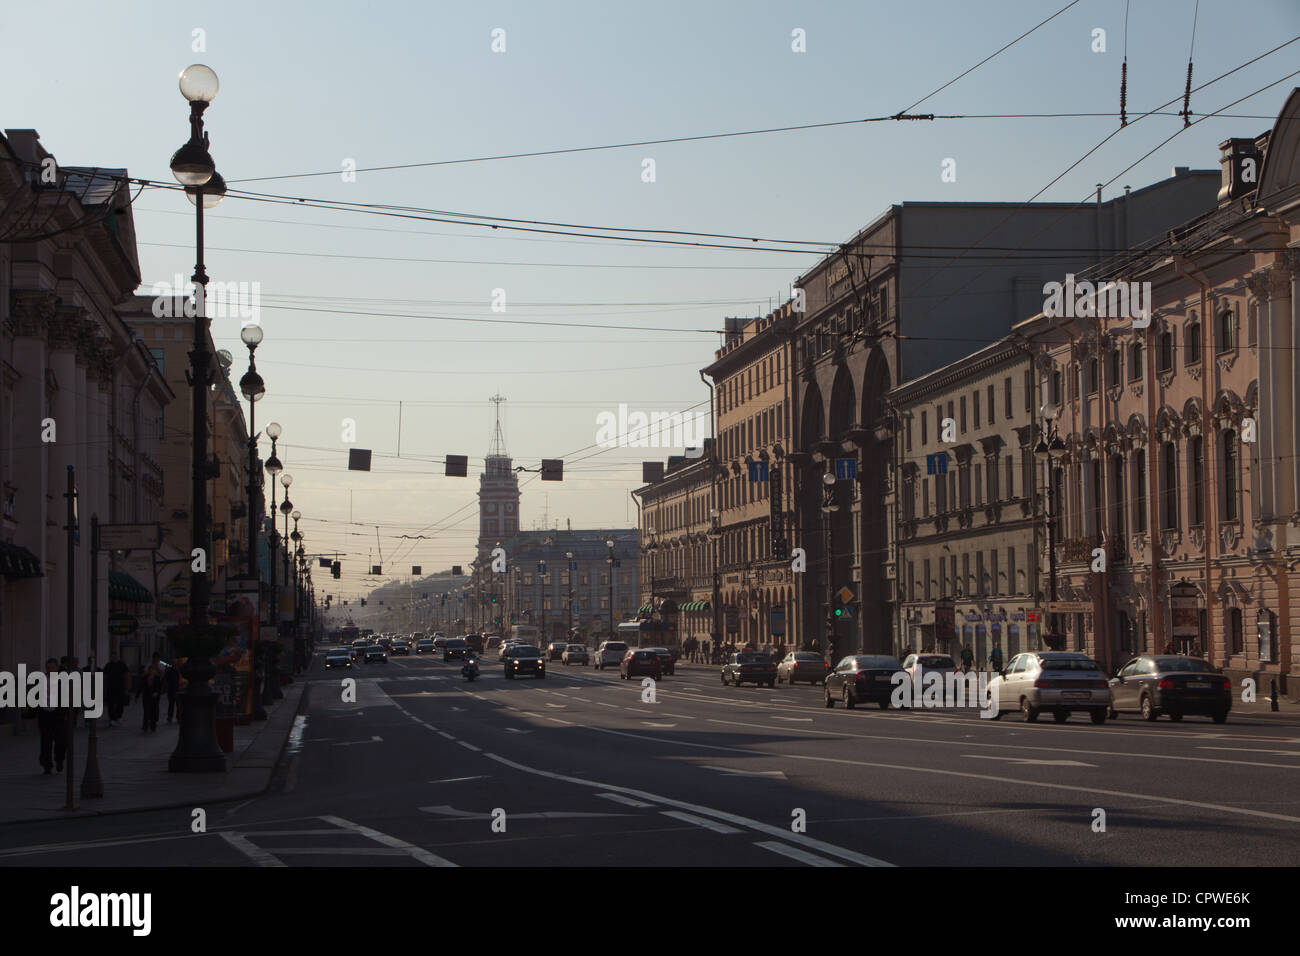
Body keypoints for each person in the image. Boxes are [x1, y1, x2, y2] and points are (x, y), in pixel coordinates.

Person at [37, 658, 67, 775]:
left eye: (53, 667)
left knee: (61, 741)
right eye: (48, 667)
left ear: (57, 667)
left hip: (58, 714)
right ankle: (46, 764)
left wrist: (67, 713)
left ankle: (59, 760)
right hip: (45, 714)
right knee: (45, 741)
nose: (50, 669)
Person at [138, 653, 164, 732]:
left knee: (155, 708)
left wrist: (157, 670)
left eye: (157, 658)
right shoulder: (148, 666)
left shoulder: (161, 666)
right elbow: (143, 676)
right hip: (147, 692)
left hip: (156, 690)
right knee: (146, 709)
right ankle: (146, 724)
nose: (155, 660)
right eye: (154, 658)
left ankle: (154, 721)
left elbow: (162, 676)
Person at [104, 650, 129, 726]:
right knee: (110, 703)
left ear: (117, 657)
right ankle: (112, 718)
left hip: (120, 687)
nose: (114, 658)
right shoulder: (108, 665)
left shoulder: (122, 664)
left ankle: (118, 716)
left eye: (115, 656)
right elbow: (105, 676)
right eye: (112, 657)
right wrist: (104, 687)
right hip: (110, 687)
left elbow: (127, 675)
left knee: (120, 703)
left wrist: (127, 687)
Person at [164, 657, 181, 723]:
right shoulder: (169, 671)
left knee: (178, 704)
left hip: (178, 689)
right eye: (174, 663)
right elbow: (166, 679)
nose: (175, 664)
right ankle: (170, 717)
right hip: (171, 689)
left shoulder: (179, 671)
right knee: (171, 704)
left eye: (176, 663)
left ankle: (178, 717)